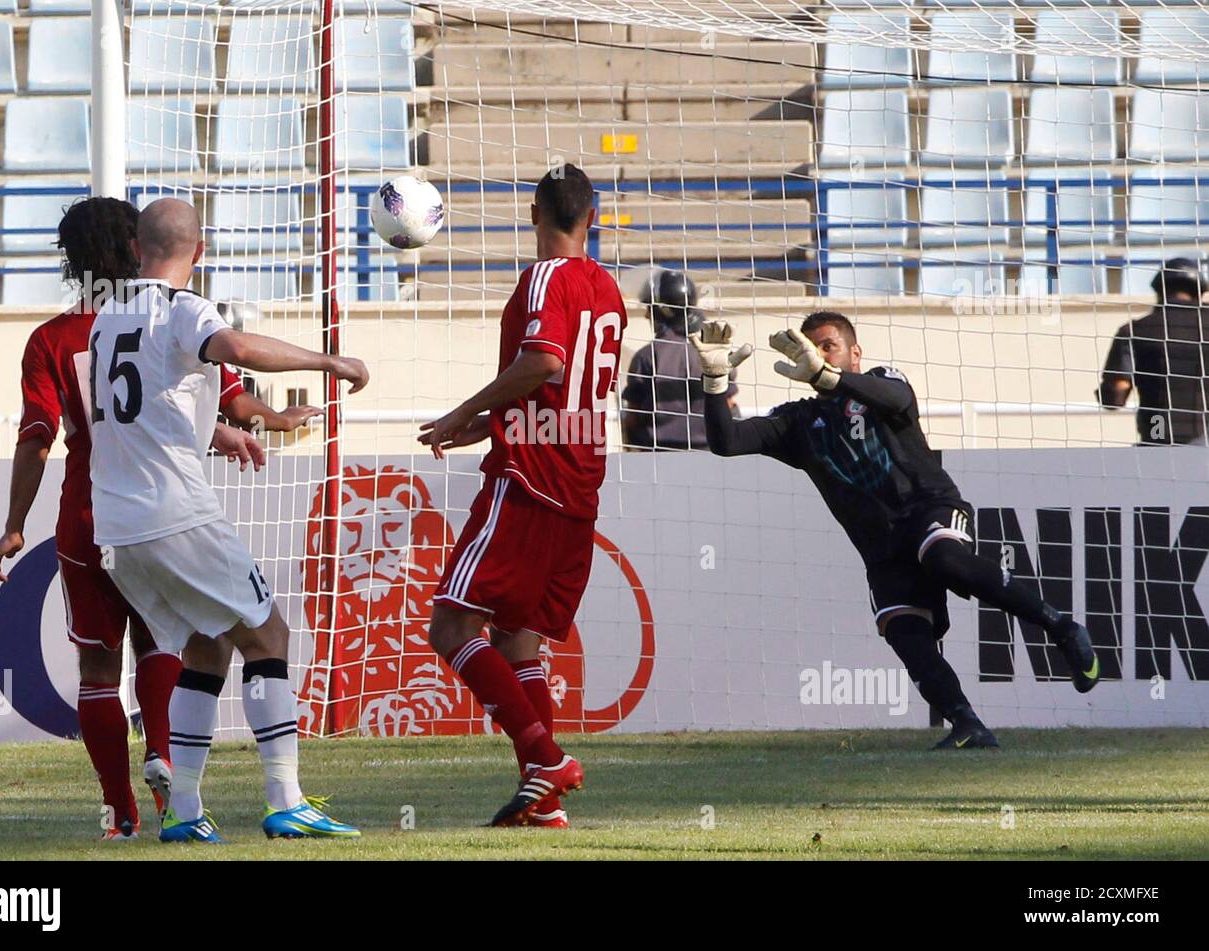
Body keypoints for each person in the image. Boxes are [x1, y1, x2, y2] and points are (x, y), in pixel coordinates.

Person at [0, 197, 316, 841]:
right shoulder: (161, 315)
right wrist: (261, 423)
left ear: (72, 259)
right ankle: (175, 774)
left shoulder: (58, 336)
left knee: (98, 669)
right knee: (180, 644)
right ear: (134, 247)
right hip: (164, 503)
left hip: (91, 514)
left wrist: (15, 520)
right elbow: (217, 396)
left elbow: (36, 435)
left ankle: (119, 812)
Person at [88, 197, 368, 842]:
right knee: (268, 634)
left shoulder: (107, 320)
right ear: (200, 250)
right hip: (175, 512)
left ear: (136, 249)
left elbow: (142, 411)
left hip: (119, 527)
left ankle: (185, 813)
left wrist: (222, 430)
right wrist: (330, 362)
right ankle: (286, 798)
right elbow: (233, 345)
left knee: (206, 648)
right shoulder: (184, 309)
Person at [690, 312, 1100, 749]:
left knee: (942, 558)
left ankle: (1061, 627)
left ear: (855, 352)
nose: (814, 353)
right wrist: (716, 379)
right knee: (905, 630)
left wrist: (830, 377)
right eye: (806, 347)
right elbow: (727, 442)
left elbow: (896, 399)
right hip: (881, 549)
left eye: (827, 345)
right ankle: (968, 725)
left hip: (931, 508)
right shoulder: (797, 422)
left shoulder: (881, 380)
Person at [418, 165, 626, 826]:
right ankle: (544, 804)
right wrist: (490, 421)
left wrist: (462, 411)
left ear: (533, 212)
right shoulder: (609, 290)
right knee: (519, 642)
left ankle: (544, 757)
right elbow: (562, 391)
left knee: (451, 626)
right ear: (593, 213)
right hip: (579, 488)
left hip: (530, 482)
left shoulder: (546, 278)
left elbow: (545, 363)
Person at [621, 269, 738, 450]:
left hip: (658, 459)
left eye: (649, 310)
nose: (646, 316)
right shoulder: (715, 353)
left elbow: (632, 417)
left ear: (663, 312)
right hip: (711, 453)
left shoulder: (646, 357)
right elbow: (728, 405)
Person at [1099, 257, 1209, 445]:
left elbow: (1114, 397)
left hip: (1158, 437)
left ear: (1160, 291)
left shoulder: (1134, 331)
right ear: (1198, 291)